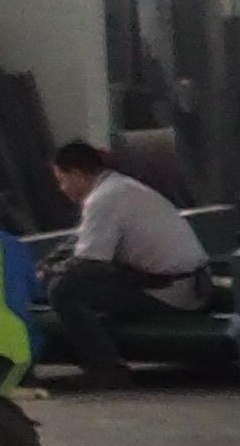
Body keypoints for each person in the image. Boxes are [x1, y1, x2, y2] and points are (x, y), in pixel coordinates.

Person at [42, 140, 213, 383]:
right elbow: (80, 240)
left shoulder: (103, 199)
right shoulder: (120, 187)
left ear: (78, 175)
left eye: (62, 180)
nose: (62, 188)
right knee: (74, 282)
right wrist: (51, 261)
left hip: (171, 293)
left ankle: (107, 368)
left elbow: (90, 263)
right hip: (190, 285)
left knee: (63, 289)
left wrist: (50, 272)